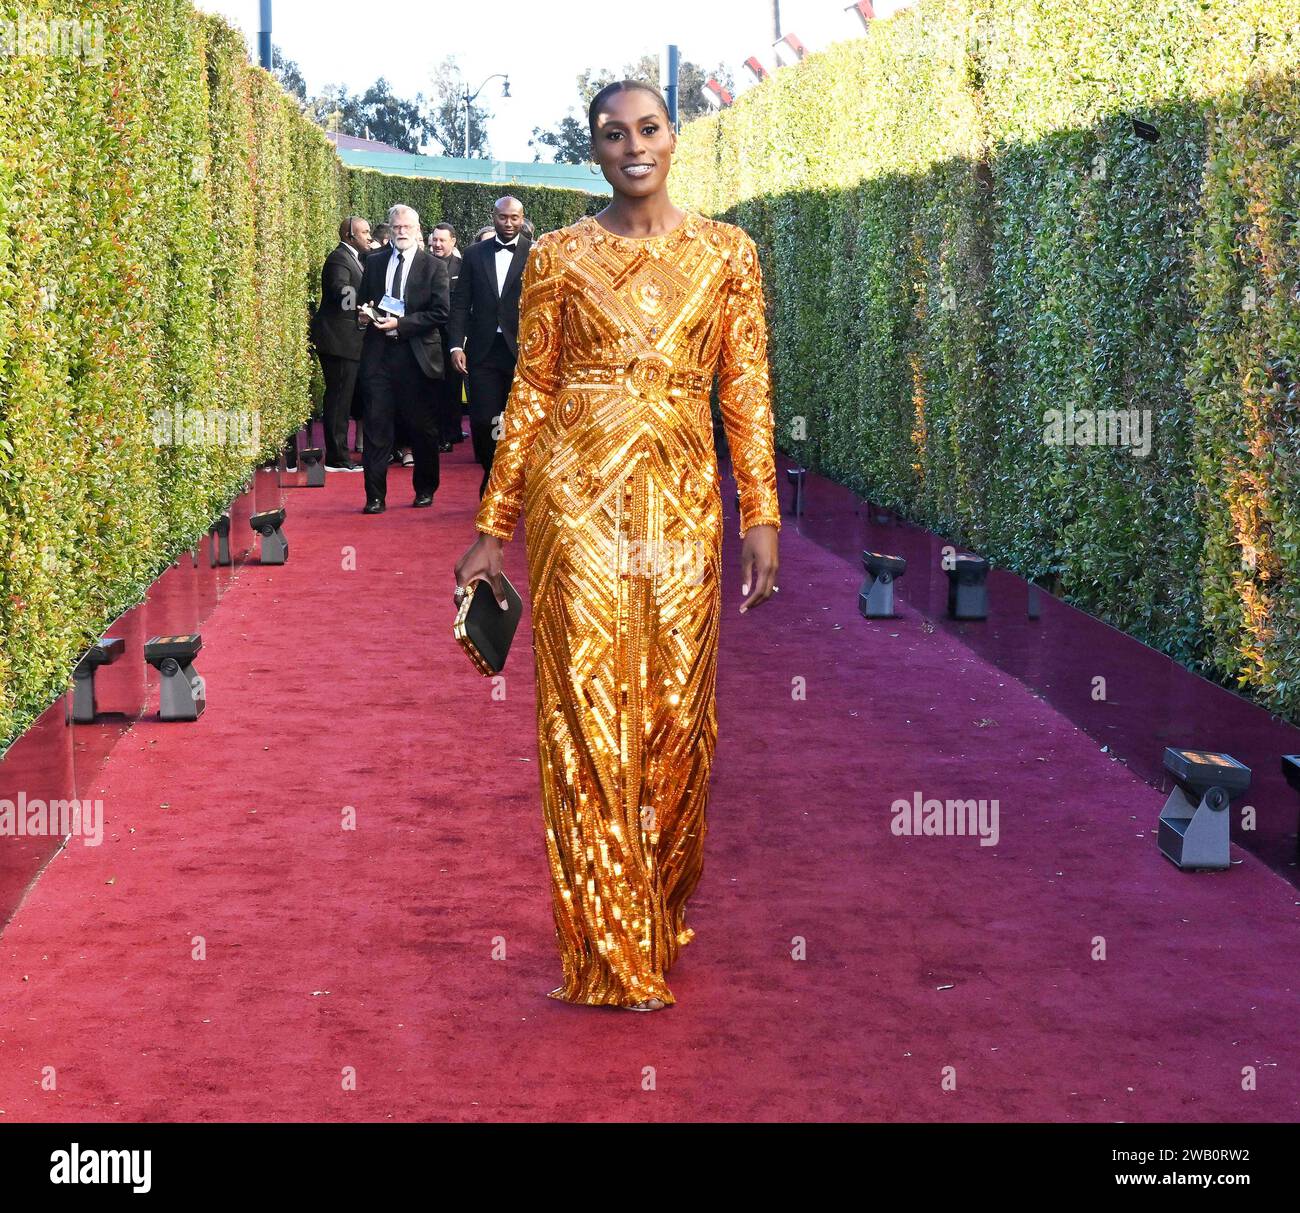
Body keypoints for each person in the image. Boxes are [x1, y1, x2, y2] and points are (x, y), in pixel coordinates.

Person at [453, 81, 781, 1011]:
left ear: (674, 138)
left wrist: (761, 511)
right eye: (611, 134)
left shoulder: (729, 254)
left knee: (678, 718)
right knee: (589, 715)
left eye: (647, 128)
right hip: (576, 506)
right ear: (590, 149)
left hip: (682, 503)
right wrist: (492, 527)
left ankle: (655, 902)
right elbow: (530, 394)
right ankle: (605, 949)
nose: (632, 145)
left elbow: (746, 393)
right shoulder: (556, 256)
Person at [356, 204, 450, 513]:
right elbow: (364, 300)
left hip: (417, 357)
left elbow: (441, 313)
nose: (401, 232)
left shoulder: (433, 266)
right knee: (376, 427)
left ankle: (425, 488)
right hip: (379, 355)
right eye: (396, 227)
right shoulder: (373, 262)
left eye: (406, 227)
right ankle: (375, 497)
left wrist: (403, 323)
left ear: (417, 230)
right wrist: (365, 315)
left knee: (422, 428)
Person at [447, 196, 532, 496]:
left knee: (519, 420)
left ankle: (509, 483)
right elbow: (459, 305)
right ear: (493, 217)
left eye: (514, 218)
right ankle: (491, 471)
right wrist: (456, 345)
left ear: (522, 218)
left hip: (523, 351)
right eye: (503, 217)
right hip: (482, 349)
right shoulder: (474, 254)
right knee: (484, 419)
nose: (509, 223)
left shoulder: (536, 253)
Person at [311, 217, 370, 472]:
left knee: (342, 398)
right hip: (339, 339)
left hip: (345, 339)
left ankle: (339, 455)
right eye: (364, 232)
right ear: (349, 234)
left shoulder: (351, 257)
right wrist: (365, 305)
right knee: (338, 399)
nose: (369, 236)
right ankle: (337, 458)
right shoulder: (339, 258)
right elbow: (339, 290)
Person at [429, 222, 466, 451]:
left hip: (453, 337)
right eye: (435, 240)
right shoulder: (424, 264)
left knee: (452, 386)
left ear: (453, 241)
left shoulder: (463, 267)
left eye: (442, 240)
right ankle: (435, 432)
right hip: (428, 335)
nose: (438, 244)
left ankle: (450, 432)